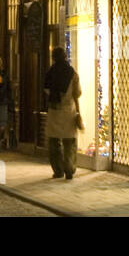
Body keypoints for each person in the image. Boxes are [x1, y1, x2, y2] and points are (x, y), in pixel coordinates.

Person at [44, 47, 83, 179]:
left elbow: (46, 90)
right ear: (65, 57)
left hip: (54, 110)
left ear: (53, 58)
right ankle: (69, 168)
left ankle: (58, 169)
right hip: (68, 110)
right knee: (69, 142)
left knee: (54, 142)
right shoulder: (72, 73)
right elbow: (77, 92)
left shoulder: (50, 72)